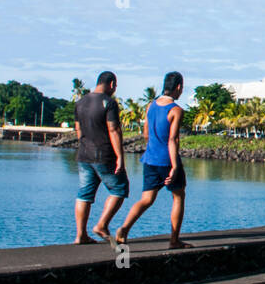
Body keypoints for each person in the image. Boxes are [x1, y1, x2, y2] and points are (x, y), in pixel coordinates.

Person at [114, 72, 191, 250]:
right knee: (178, 196)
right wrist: (175, 166)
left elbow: (146, 134)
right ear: (178, 87)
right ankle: (174, 240)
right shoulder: (176, 110)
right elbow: (173, 140)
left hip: (150, 158)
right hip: (167, 160)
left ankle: (124, 229)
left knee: (146, 199)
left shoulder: (151, 105)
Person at [74, 71, 128, 244]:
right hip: (103, 155)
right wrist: (120, 156)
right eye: (115, 86)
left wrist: (84, 146)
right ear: (111, 84)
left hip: (84, 154)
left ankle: (80, 235)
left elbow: (78, 130)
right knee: (119, 189)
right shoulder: (109, 103)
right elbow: (113, 130)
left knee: (84, 194)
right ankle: (101, 225)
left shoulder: (80, 102)